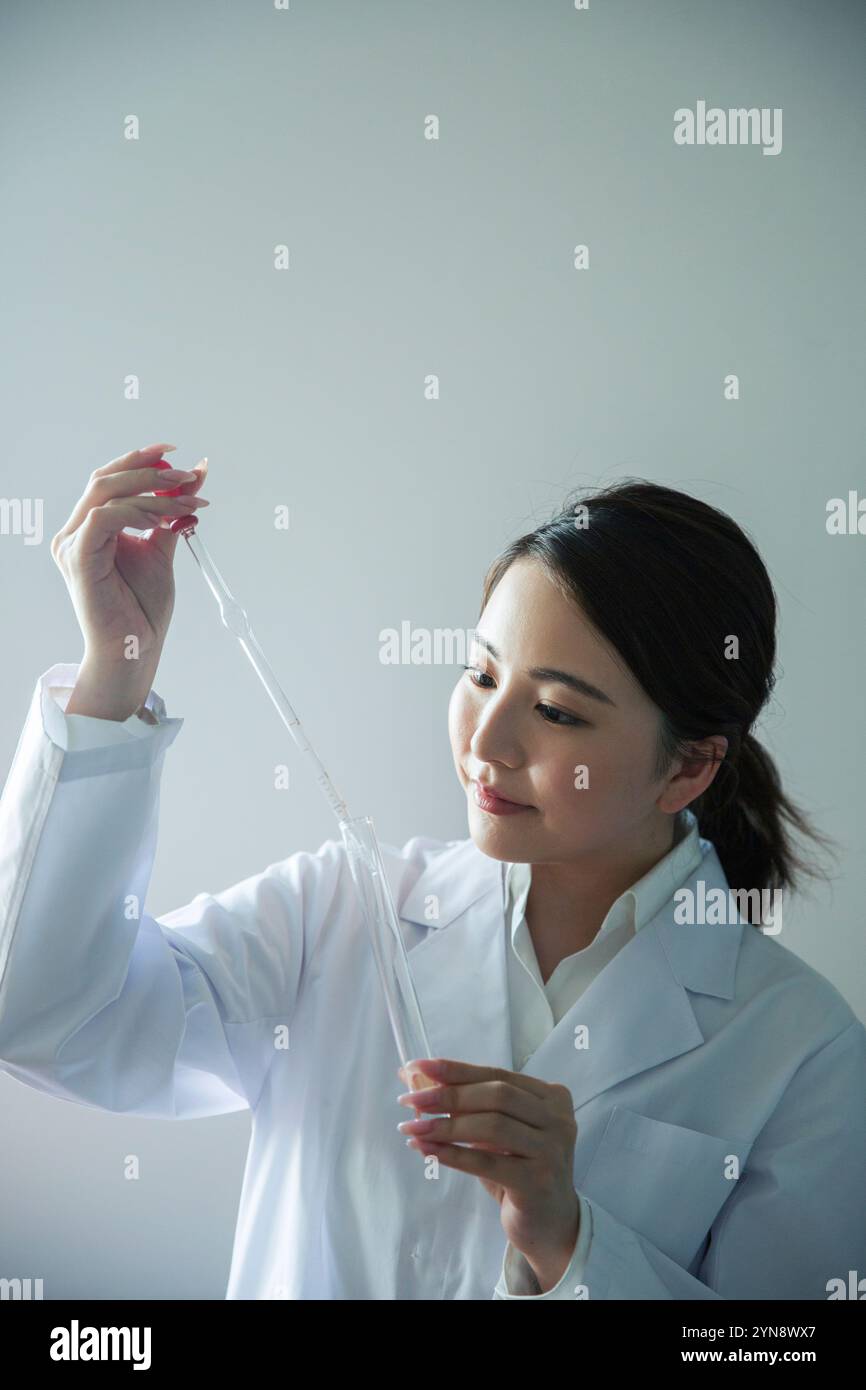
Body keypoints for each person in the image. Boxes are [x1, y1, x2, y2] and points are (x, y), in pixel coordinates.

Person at [0, 444, 863, 1300]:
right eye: (481, 674)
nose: (485, 744)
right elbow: (45, 1018)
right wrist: (115, 670)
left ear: (689, 768)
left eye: (557, 711)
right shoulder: (335, 911)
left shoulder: (800, 1047)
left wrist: (573, 1245)